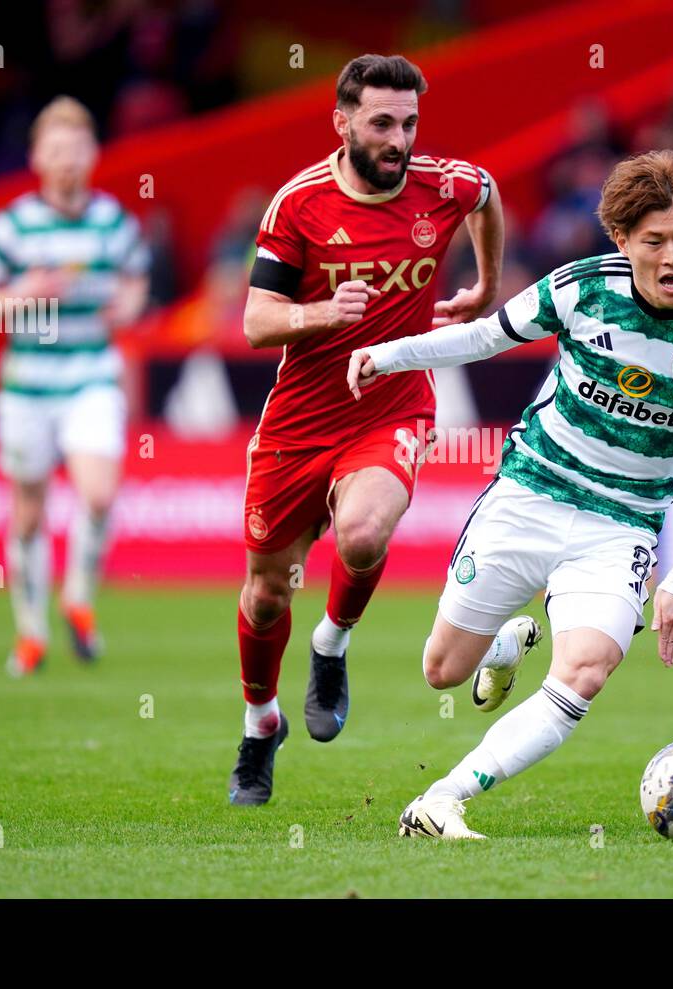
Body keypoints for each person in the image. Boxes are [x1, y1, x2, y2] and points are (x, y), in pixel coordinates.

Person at [347, 150, 673, 838]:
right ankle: (503, 646)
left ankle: (443, 798)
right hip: (529, 494)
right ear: (622, 241)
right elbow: (486, 336)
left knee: (584, 669)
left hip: (622, 527)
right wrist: (388, 354)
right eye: (654, 241)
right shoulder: (580, 288)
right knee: (441, 670)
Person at [230, 54, 535, 806]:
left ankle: (331, 645)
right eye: (381, 123)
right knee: (267, 592)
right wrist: (317, 314)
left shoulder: (444, 184)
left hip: (392, 407)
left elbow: (487, 194)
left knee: (364, 533)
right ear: (342, 122)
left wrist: (486, 284)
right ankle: (260, 722)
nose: (398, 139)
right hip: (300, 420)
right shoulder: (298, 205)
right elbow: (255, 320)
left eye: (408, 123)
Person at [0, 96, 149, 677]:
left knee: (97, 493)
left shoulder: (113, 222)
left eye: (77, 150)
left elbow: (138, 280)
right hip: (27, 383)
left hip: (90, 370)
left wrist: (128, 305)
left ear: (93, 155)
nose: (67, 161)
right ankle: (31, 632)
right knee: (27, 512)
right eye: (56, 150)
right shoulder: (12, 225)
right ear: (38, 156)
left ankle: (79, 598)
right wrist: (21, 296)